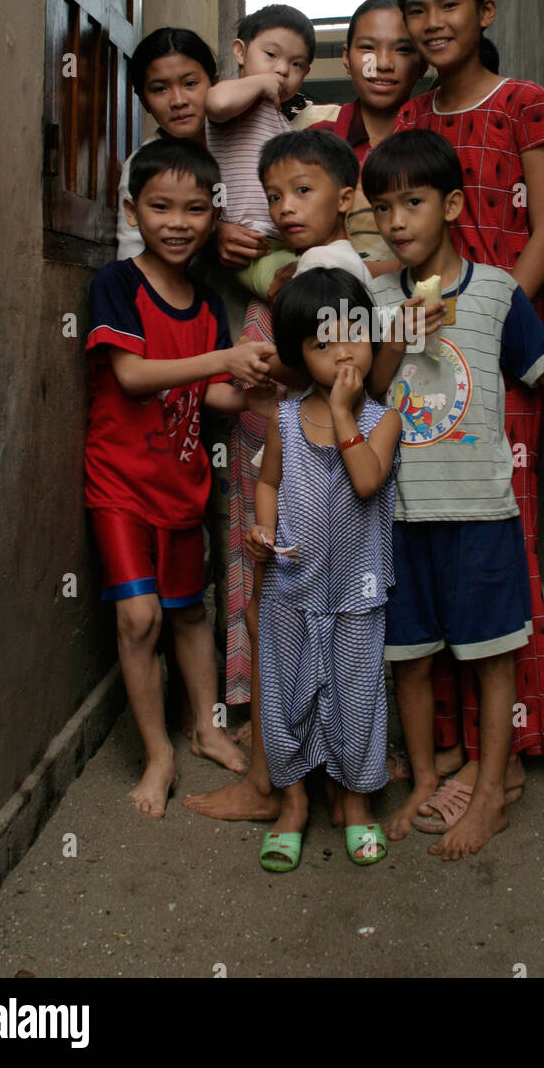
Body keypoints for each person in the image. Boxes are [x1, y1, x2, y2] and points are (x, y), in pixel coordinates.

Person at [364, 131, 544, 858]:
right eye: (383, 208)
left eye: (413, 203)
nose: (397, 222)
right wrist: (396, 339)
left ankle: (488, 798)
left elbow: (543, 369)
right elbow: (369, 393)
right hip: (400, 513)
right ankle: (422, 781)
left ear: (450, 206)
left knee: (491, 657)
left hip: (479, 510)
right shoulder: (374, 297)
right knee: (410, 658)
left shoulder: (498, 291)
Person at [393, 0, 544, 823]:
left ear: (486, 11)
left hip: (498, 354)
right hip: (421, 369)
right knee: (431, 546)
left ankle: (510, 758)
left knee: (501, 548)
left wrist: (491, 330)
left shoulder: (524, 103)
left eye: (450, 4)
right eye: (417, 8)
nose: (433, 23)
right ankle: (457, 750)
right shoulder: (409, 118)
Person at [85, 137, 277, 819]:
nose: (176, 222)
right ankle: (157, 754)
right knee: (140, 618)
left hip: (185, 485)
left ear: (212, 216)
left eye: (195, 209)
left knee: (191, 612)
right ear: (132, 211)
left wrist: (267, 391)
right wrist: (224, 358)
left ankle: (205, 727)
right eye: (160, 207)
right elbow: (133, 376)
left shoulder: (202, 303)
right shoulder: (117, 285)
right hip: (120, 485)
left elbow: (212, 394)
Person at [183, 129, 368, 824]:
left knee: (276, 622)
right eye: (273, 196)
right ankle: (326, 783)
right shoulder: (320, 264)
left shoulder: (325, 270)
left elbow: (326, 362)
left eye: (302, 191)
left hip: (309, 470)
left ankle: (272, 785)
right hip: (317, 469)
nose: (284, 207)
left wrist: (259, 364)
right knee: (320, 627)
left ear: (345, 198)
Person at [248, 269, 403, 871]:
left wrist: (342, 413)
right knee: (285, 701)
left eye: (353, 335)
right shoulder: (285, 419)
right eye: (322, 343)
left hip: (356, 596)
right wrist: (264, 531)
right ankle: (293, 807)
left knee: (357, 702)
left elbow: (366, 481)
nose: (343, 352)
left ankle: (356, 806)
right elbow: (268, 483)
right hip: (292, 590)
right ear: (297, 356)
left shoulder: (383, 420)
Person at [205, 4, 316, 302]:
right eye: (271, 55)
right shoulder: (237, 100)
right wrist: (259, 82)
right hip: (251, 245)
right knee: (302, 293)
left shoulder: (284, 124)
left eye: (296, 64)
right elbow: (216, 103)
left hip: (282, 241)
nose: (282, 70)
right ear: (240, 52)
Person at [309, 0, 425, 272]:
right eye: (368, 48)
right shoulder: (314, 137)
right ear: (346, 57)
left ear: (423, 64)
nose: (383, 63)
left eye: (403, 50)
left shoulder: (440, 140)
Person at [116, 28, 219, 261]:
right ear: (144, 101)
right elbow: (132, 258)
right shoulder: (141, 166)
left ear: (215, 84)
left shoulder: (246, 144)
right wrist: (214, 236)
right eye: (160, 89)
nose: (178, 101)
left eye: (190, 83)